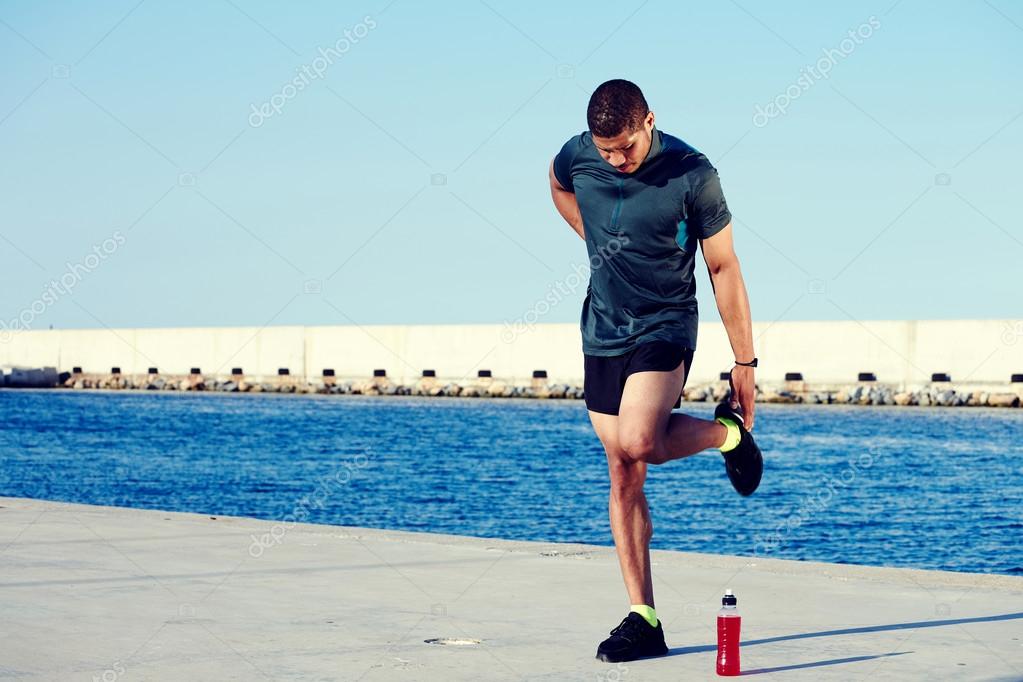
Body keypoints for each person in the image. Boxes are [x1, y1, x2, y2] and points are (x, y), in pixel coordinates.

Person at [548, 79, 763, 663]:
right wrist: (592, 236)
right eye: (607, 150)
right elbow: (558, 179)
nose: (616, 160)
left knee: (640, 440)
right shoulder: (580, 154)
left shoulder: (692, 173)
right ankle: (644, 617)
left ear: (649, 121)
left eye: (626, 148)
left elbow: (722, 267)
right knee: (621, 468)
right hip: (602, 328)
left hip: (665, 324)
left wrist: (744, 362)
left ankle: (730, 433)